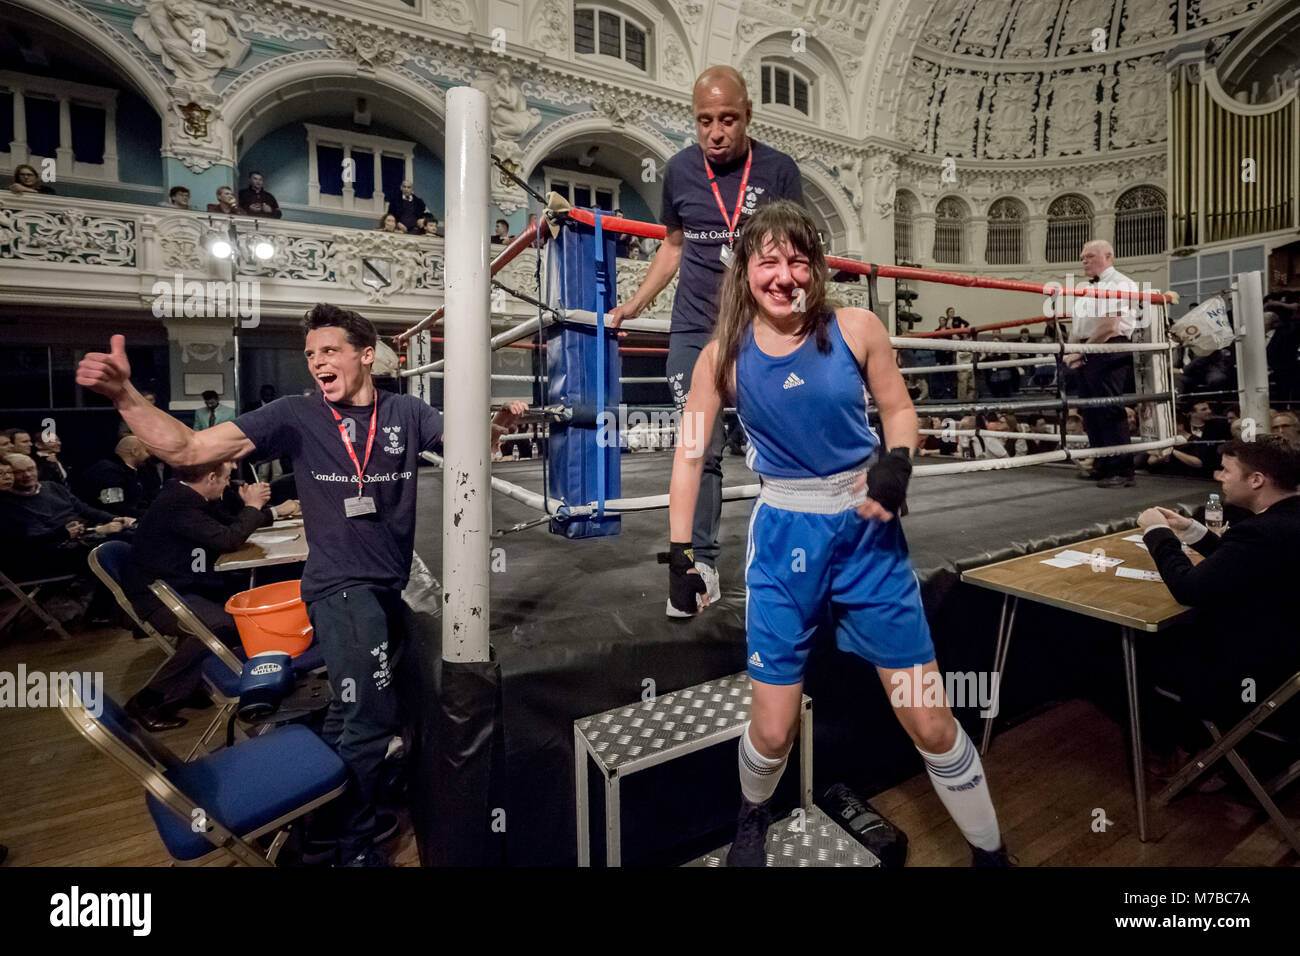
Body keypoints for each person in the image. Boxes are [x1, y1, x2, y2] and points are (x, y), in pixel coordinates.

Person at [76, 304, 525, 867]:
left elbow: (472, 453)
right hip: (341, 587)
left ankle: (325, 812)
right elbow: (188, 449)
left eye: (329, 350)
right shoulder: (294, 414)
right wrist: (126, 397)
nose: (317, 362)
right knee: (369, 720)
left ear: (366, 355)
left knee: (348, 707)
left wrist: (496, 428)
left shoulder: (407, 411)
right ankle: (354, 846)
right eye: (311, 354)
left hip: (388, 583)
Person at [665, 200, 1010, 866]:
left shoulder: (857, 327)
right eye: (770, 261)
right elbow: (688, 452)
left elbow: (899, 409)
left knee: (930, 720)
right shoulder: (720, 358)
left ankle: (991, 852)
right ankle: (752, 816)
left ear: (817, 268)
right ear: (747, 269)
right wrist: (681, 553)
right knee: (772, 727)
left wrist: (897, 462)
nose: (786, 275)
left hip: (867, 539)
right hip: (783, 543)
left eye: (799, 259)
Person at [609, 65, 804, 613]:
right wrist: (634, 304)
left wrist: (799, 320)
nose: (715, 132)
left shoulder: (779, 169)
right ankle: (701, 568)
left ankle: (791, 556)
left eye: (727, 120)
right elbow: (673, 245)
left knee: (779, 441)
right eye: (704, 121)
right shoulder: (678, 171)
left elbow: (795, 252)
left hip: (759, 326)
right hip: (694, 329)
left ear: (748, 117)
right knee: (699, 446)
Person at [1137, 436, 1300, 761]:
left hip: (1258, 672)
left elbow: (1190, 588)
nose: (1219, 477)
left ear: (1256, 480)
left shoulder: (1261, 531)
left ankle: (1175, 749)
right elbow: (1246, 564)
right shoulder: (1281, 524)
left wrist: (1157, 534)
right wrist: (1193, 531)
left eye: (1226, 470)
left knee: (1134, 650)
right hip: (1288, 656)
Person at [123, 459, 277, 731]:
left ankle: (192, 684)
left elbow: (227, 528)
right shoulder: (178, 503)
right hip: (159, 595)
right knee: (217, 626)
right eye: (227, 477)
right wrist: (253, 506)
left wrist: (262, 511)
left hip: (181, 585)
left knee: (236, 606)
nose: (229, 483)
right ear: (210, 478)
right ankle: (149, 699)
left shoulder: (189, 497)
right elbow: (228, 539)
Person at [1064, 239, 1139, 487]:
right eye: (1083, 257)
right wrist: (1072, 351)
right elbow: (1078, 327)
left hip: (1109, 348)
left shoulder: (1121, 283)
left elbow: (1110, 326)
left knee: (1108, 409)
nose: (1084, 260)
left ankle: (1121, 469)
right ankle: (1102, 464)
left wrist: (1081, 352)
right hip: (1088, 349)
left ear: (1108, 256)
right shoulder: (1084, 288)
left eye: (1090, 256)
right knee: (1091, 411)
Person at [76, 436, 156, 518]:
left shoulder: (137, 471)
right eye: (147, 451)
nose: (150, 456)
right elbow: (114, 507)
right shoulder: (108, 473)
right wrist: (150, 515)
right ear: (134, 451)